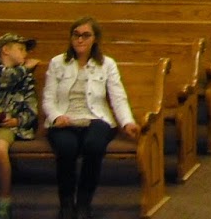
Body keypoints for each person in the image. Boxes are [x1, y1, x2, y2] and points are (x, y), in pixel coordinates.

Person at [41, 17, 140, 219]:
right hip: (65, 120)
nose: (80, 40)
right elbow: (48, 99)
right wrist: (57, 116)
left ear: (95, 39)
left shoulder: (106, 64)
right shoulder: (58, 63)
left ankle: (84, 202)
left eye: (86, 35)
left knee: (94, 146)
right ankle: (67, 203)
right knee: (66, 148)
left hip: (96, 118)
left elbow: (118, 97)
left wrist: (127, 121)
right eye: (76, 35)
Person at [0, 33, 39, 218]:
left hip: (7, 127)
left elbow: (31, 107)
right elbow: (2, 80)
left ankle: (4, 201)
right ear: (5, 50)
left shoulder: (26, 78)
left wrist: (17, 121)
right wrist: (25, 70)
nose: (25, 53)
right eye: (21, 48)